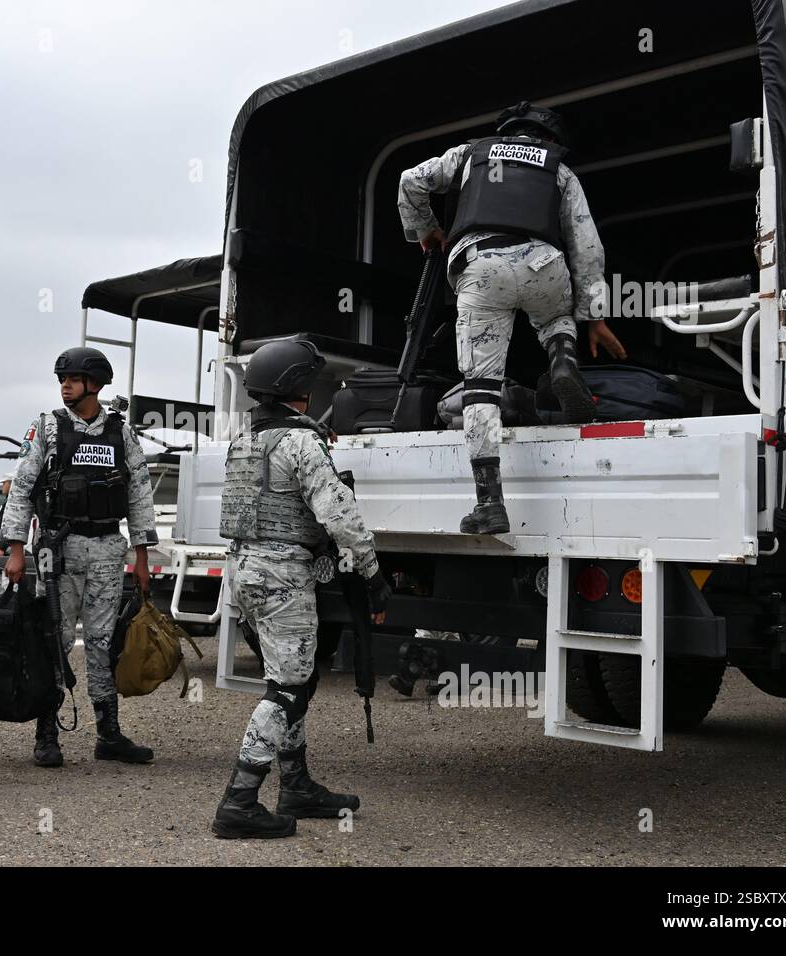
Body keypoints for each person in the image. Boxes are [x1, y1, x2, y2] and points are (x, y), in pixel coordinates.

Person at [397, 100, 626, 534]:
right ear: (551, 141)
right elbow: (588, 247)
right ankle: (562, 357)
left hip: (482, 266)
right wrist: (594, 316)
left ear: (506, 131)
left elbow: (410, 180)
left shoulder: (470, 154)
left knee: (481, 389)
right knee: (556, 317)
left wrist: (425, 229)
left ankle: (490, 503)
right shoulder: (560, 170)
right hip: (544, 262)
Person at [213, 338, 392, 839]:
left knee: (292, 678)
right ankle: (239, 800)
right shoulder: (301, 442)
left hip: (245, 571)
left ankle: (296, 785)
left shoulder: (245, 440)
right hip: (283, 575)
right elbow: (338, 513)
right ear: (301, 388)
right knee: (288, 688)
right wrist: (373, 573)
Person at [1, 347, 157, 768]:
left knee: (104, 644)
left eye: (71, 378)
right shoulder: (48, 427)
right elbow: (21, 488)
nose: (64, 385)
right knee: (57, 639)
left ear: (95, 384)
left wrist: (142, 556)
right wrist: (15, 549)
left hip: (108, 547)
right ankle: (47, 733)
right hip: (61, 551)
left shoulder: (121, 433)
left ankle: (108, 733)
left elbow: (140, 492)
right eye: (61, 379)